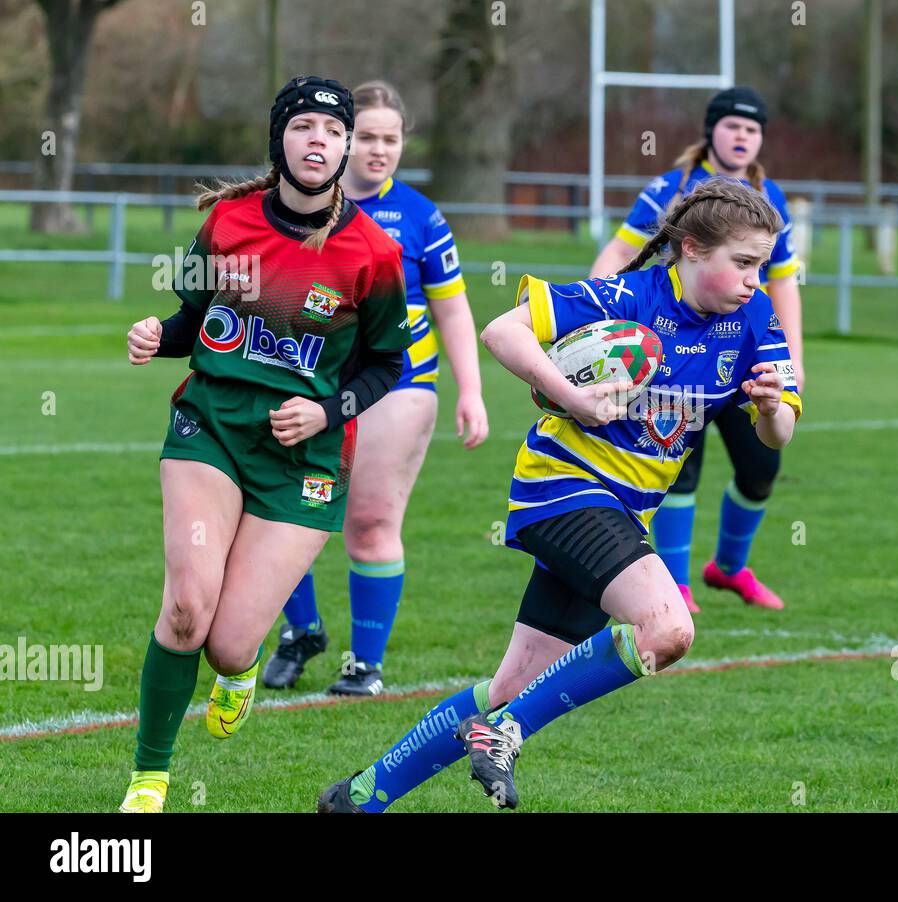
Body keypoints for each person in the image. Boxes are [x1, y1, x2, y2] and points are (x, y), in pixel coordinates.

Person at [318, 178, 801, 812]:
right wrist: (570, 395)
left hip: (622, 512)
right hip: (562, 489)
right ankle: (506, 736)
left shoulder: (754, 316)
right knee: (667, 630)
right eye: (741, 262)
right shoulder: (629, 295)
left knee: (510, 684)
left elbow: (780, 431)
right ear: (688, 249)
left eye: (761, 264)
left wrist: (768, 406)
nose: (752, 278)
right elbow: (503, 332)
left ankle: (358, 796)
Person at [118, 76, 411, 812]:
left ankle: (240, 670)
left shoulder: (372, 253)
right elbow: (190, 319)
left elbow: (386, 365)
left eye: (333, 130)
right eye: (305, 125)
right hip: (210, 428)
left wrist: (326, 412)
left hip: (304, 461)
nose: (320, 139)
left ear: (347, 148)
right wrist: (158, 336)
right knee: (187, 606)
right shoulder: (225, 221)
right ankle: (149, 779)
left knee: (226, 643)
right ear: (279, 138)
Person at [263, 80, 489, 696]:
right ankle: (300, 631)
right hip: (306, 381)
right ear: (336, 139)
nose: (379, 149)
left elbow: (453, 310)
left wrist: (470, 390)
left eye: (391, 139)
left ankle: (365, 666)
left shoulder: (419, 217)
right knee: (283, 510)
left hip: (399, 385)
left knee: (368, 521)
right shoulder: (297, 206)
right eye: (366, 136)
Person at [591, 86, 803, 613]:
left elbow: (783, 283)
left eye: (752, 130)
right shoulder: (672, 188)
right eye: (732, 126)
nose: (741, 137)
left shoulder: (769, 197)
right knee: (679, 463)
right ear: (712, 131)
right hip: (675, 347)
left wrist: (793, 360)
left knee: (761, 468)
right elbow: (620, 250)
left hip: (744, 352)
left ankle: (728, 568)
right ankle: (678, 584)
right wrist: (601, 322)